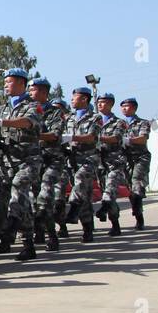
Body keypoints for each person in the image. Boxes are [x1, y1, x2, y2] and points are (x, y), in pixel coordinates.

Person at [0, 68, 43, 260]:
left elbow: (27, 122)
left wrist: (2, 122)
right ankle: (20, 241)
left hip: (28, 160)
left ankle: (13, 230)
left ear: (21, 83)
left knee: (19, 189)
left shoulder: (33, 105)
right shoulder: (1, 109)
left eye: (8, 82)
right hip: (5, 161)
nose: (5, 85)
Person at [59, 87, 102, 243]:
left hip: (89, 159)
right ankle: (88, 229)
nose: (72, 100)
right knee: (85, 194)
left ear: (84, 99)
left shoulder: (95, 117)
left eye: (75, 97)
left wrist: (71, 137)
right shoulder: (68, 118)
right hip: (72, 160)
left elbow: (91, 137)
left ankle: (73, 208)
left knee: (80, 179)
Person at [29, 79, 67, 251]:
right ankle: (39, 232)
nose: (30, 92)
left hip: (52, 160)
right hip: (33, 160)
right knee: (34, 199)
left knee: (44, 198)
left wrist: (30, 135)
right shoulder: (28, 110)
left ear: (44, 93)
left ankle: (52, 236)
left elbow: (54, 135)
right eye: (29, 89)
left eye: (34, 90)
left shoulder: (55, 113)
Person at [93, 93, 128, 237]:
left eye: (103, 102)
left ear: (110, 104)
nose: (100, 104)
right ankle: (115, 224)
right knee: (109, 194)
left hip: (115, 162)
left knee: (109, 190)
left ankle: (103, 209)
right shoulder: (93, 121)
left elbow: (116, 138)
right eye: (99, 102)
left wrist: (95, 138)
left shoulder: (118, 122)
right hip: (100, 164)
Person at [118, 98, 150, 229]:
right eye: (122, 107)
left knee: (136, 183)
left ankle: (139, 217)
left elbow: (143, 139)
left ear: (134, 108)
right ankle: (138, 214)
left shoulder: (143, 122)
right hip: (126, 159)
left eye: (127, 106)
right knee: (131, 190)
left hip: (140, 158)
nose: (124, 109)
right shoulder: (118, 124)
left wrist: (128, 141)